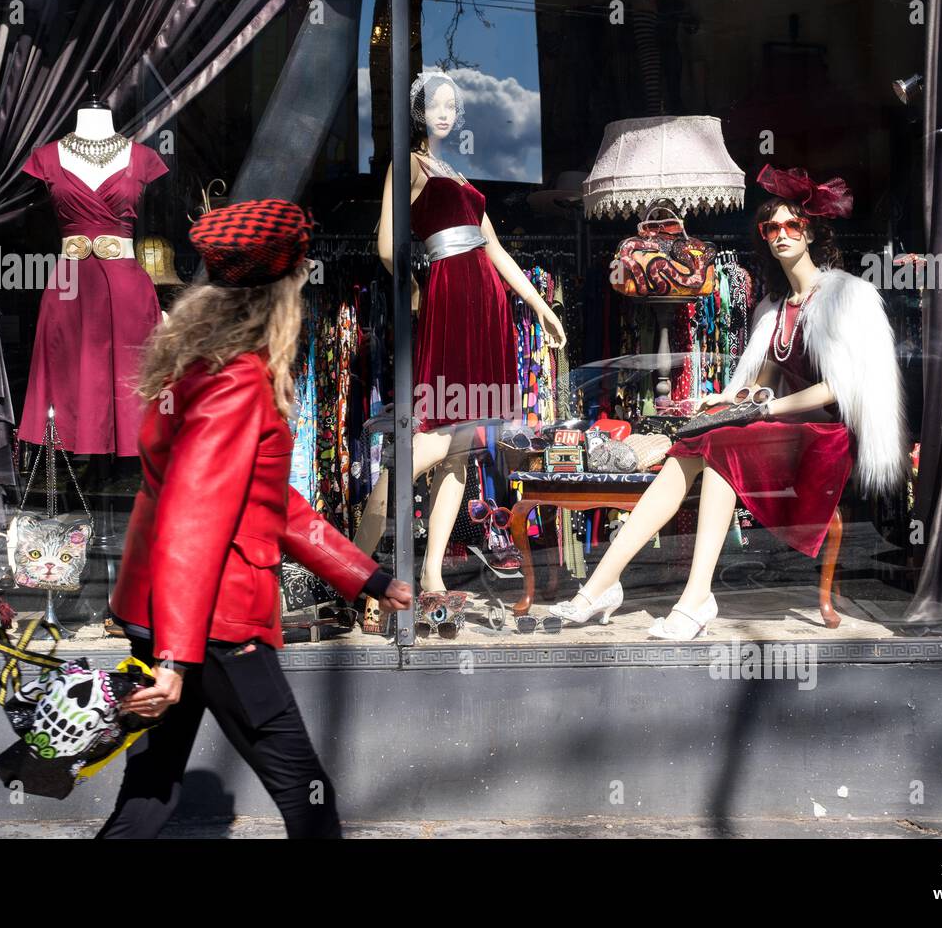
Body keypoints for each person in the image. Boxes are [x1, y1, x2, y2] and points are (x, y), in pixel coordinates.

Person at [99, 199, 413, 838]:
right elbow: (195, 517)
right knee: (310, 797)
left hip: (166, 612)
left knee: (149, 796)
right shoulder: (239, 378)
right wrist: (177, 662)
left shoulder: (190, 365)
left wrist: (368, 578)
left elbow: (262, 499)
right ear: (282, 289)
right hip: (215, 623)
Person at [550, 165, 906, 639]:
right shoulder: (774, 309)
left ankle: (696, 596)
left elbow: (838, 390)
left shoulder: (845, 296)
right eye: (771, 228)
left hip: (826, 436)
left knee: (724, 443)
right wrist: (718, 398)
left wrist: (763, 410)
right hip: (784, 430)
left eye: (791, 226)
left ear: (811, 232)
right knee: (694, 444)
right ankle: (600, 586)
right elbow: (759, 381)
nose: (781, 235)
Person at [352, 72, 566, 605]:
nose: (445, 113)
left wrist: (539, 307)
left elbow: (495, 250)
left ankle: (432, 580)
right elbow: (385, 244)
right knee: (428, 441)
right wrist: (423, 285)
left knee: (462, 450)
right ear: (418, 111)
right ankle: (352, 572)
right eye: (435, 105)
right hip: (450, 298)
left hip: (486, 303)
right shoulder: (409, 165)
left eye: (452, 105)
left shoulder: (458, 173)